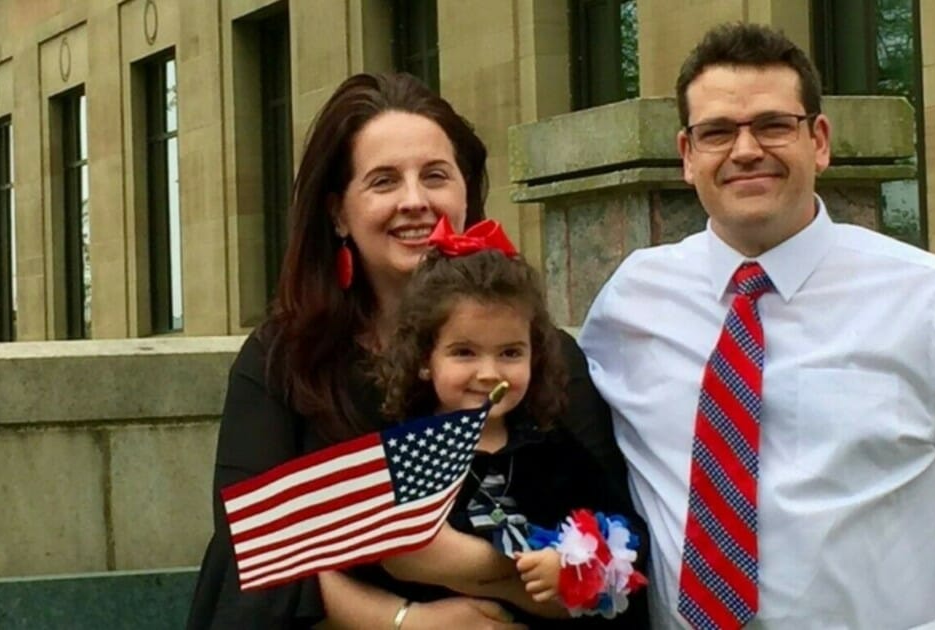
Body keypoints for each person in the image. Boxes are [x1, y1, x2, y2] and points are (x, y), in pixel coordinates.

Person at [578, 22, 935, 630]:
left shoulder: (928, 298)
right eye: (718, 132)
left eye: (774, 125)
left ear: (820, 141)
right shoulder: (631, 303)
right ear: (687, 155)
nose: (746, 149)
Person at [186, 72, 636, 629]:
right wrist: (405, 622)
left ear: (467, 193)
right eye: (383, 181)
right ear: (337, 213)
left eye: (435, 176)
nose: (415, 201)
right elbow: (249, 547)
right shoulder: (286, 357)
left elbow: (616, 556)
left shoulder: (543, 355)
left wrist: (467, 567)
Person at [371, 217, 650, 628]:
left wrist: (572, 565)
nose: (489, 373)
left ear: (534, 356)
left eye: (510, 353)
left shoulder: (553, 450)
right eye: (464, 352)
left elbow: (629, 537)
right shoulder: (402, 455)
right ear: (424, 360)